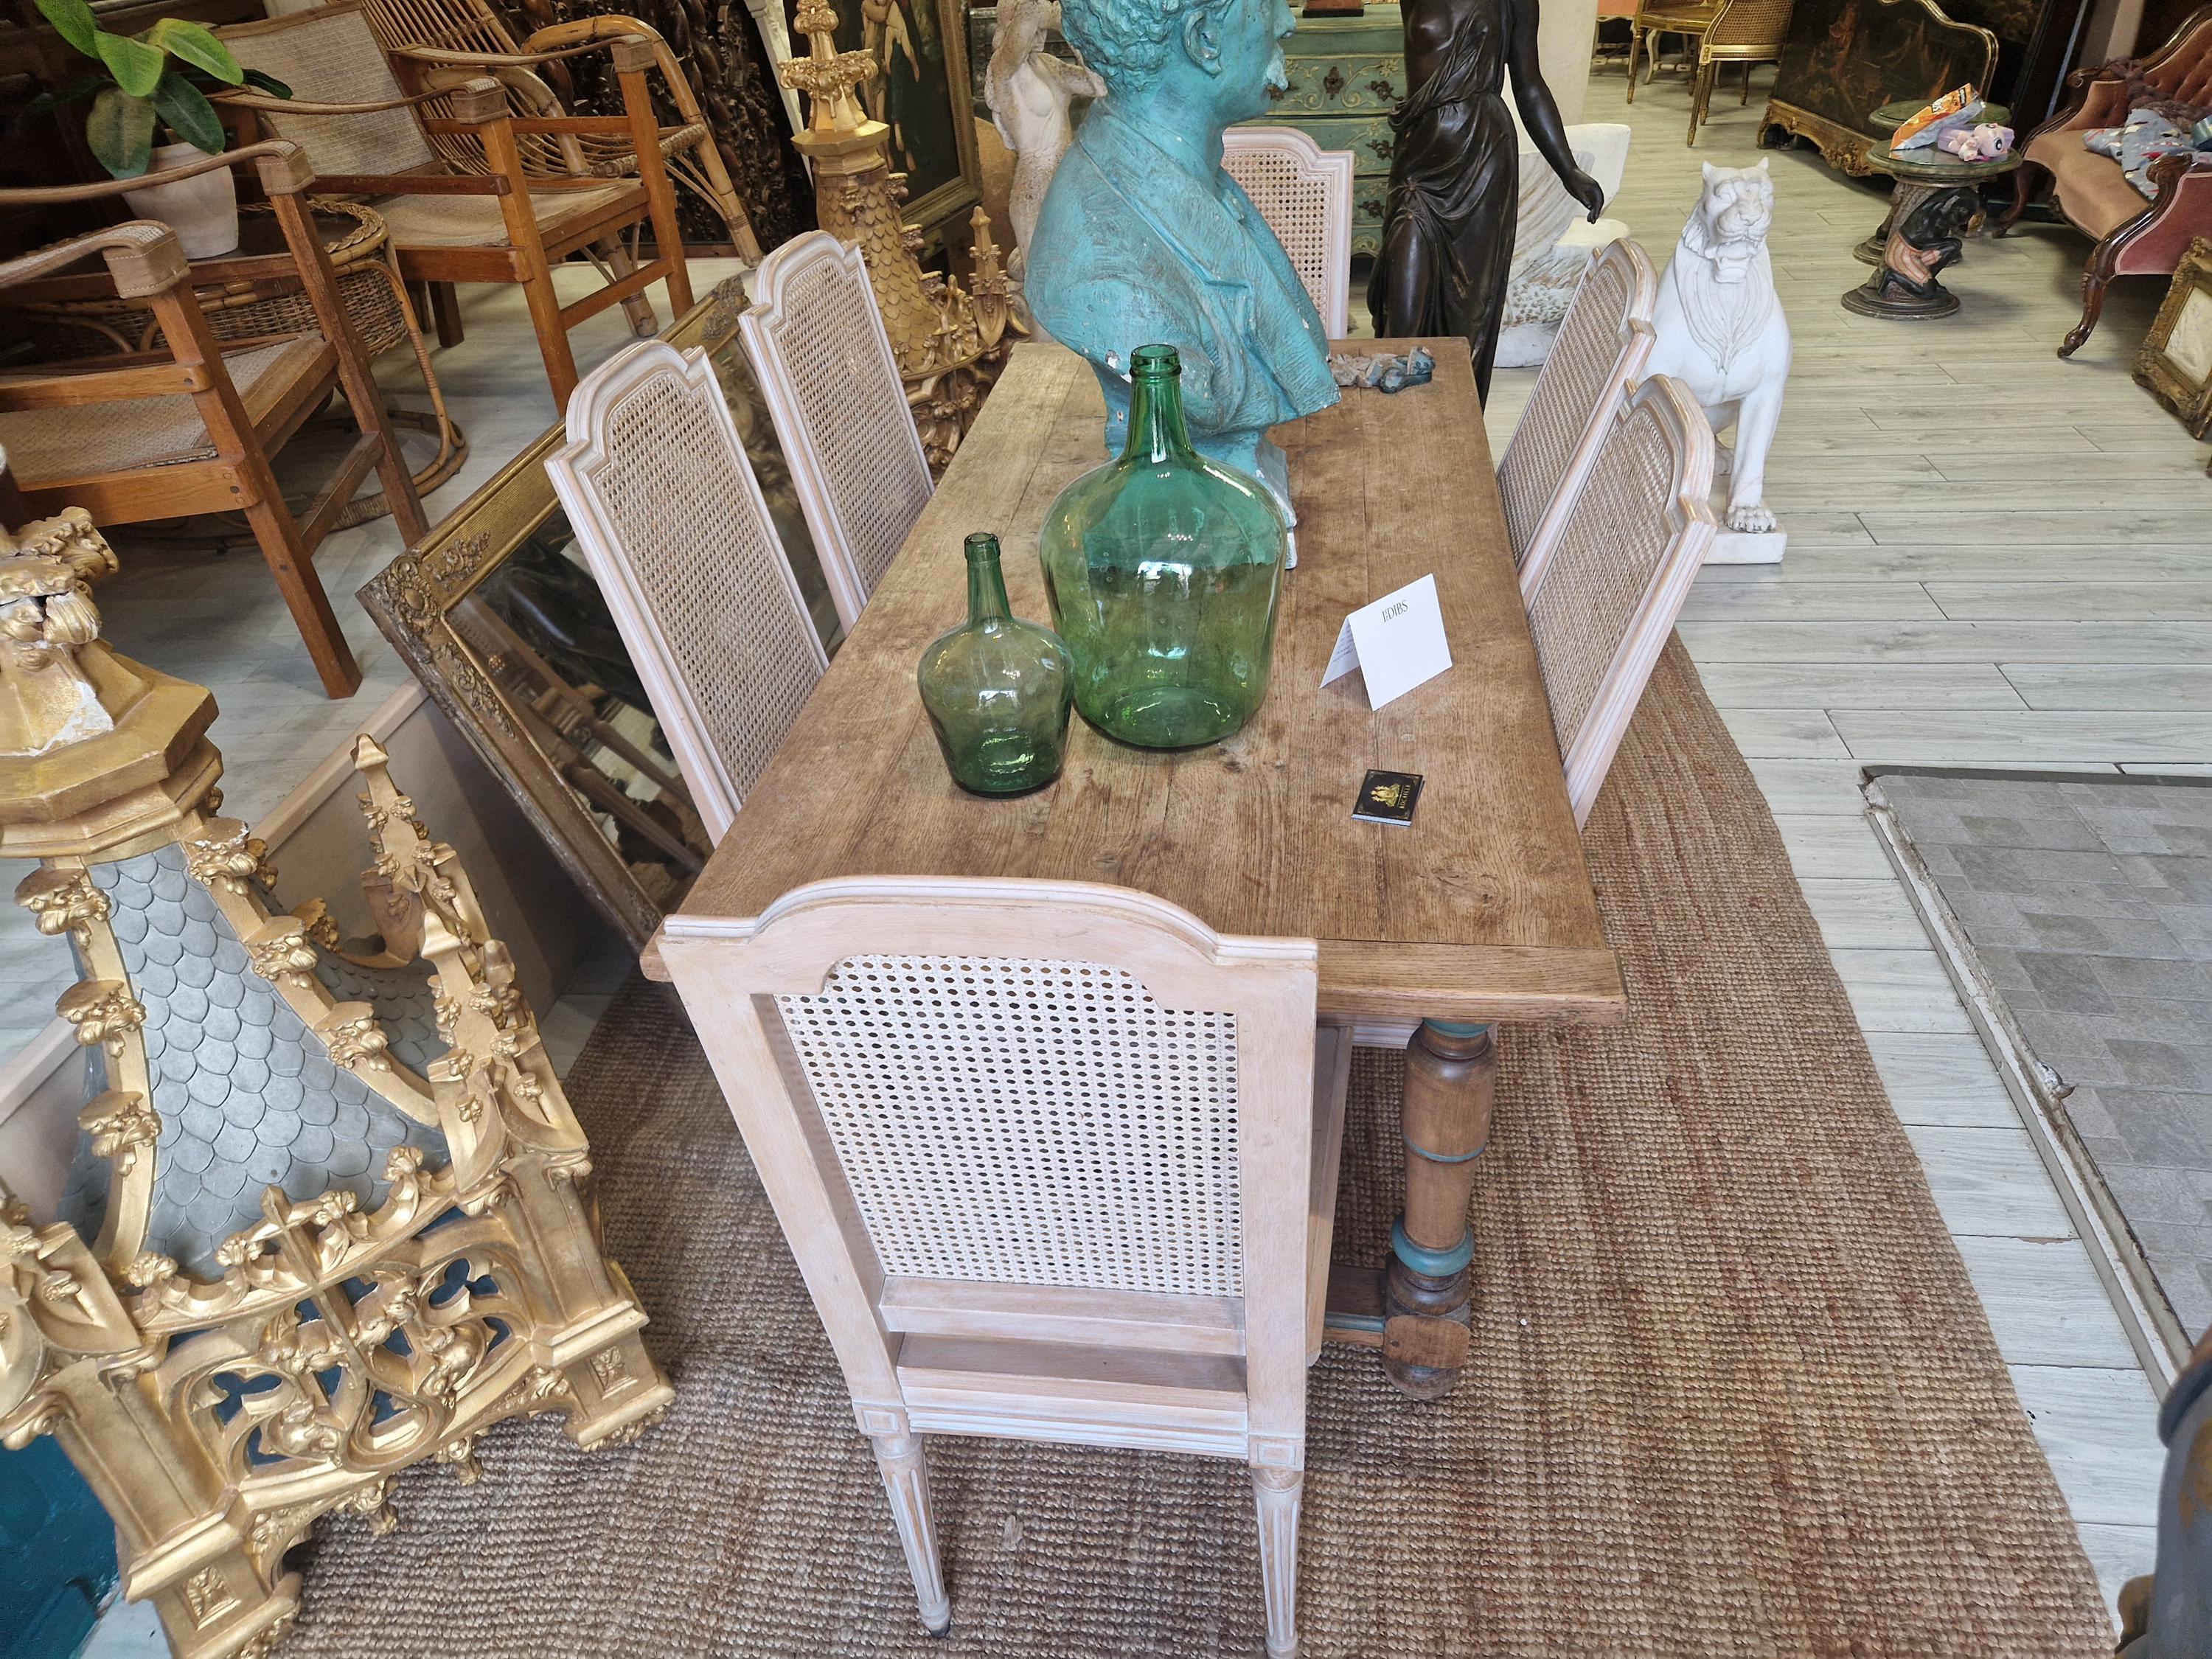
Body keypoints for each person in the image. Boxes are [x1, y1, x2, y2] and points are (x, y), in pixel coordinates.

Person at [1027, 0, 1338, 496]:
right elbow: (1197, 387)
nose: (1287, 21)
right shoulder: (1097, 261)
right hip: (1190, 498)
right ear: (1203, 40)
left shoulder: (1199, 179)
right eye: (1267, 4)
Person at [1368, 0, 1604, 399]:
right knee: (1401, 312)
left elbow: (1529, 85)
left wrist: (1568, 169)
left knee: (1468, 309)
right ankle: (1395, 429)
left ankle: (1454, 429)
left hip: (1483, 156)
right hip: (1420, 160)